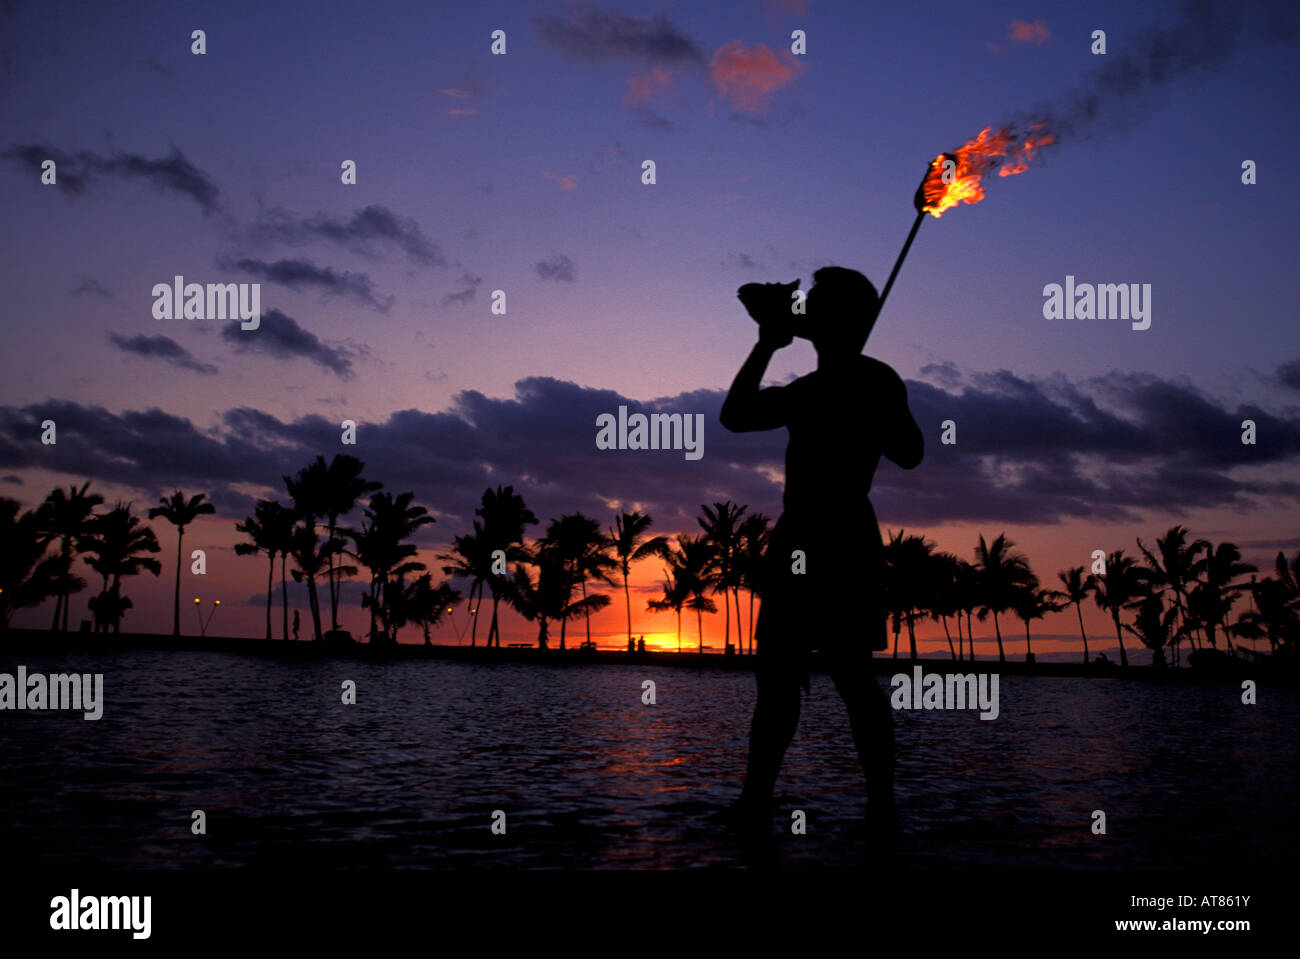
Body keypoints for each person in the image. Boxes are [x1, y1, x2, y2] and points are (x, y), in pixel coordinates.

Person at [719, 265, 924, 837]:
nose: (804, 309)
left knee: (854, 678)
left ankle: (881, 806)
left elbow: (910, 452)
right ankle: (755, 802)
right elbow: (735, 417)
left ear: (842, 319)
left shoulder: (874, 379)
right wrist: (766, 343)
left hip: (845, 539)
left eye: (816, 304)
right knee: (776, 681)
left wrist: (872, 406)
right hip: (797, 537)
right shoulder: (808, 389)